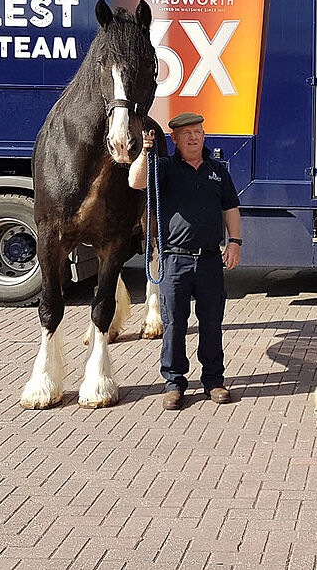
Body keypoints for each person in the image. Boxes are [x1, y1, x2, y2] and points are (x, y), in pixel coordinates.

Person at [130, 112, 242, 410]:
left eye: (199, 132)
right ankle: (174, 383)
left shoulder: (217, 170)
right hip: (174, 260)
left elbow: (230, 207)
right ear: (175, 139)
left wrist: (235, 242)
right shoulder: (163, 167)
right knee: (174, 324)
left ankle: (214, 381)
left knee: (211, 323)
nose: (194, 138)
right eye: (187, 134)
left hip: (208, 260)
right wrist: (144, 151)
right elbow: (136, 182)